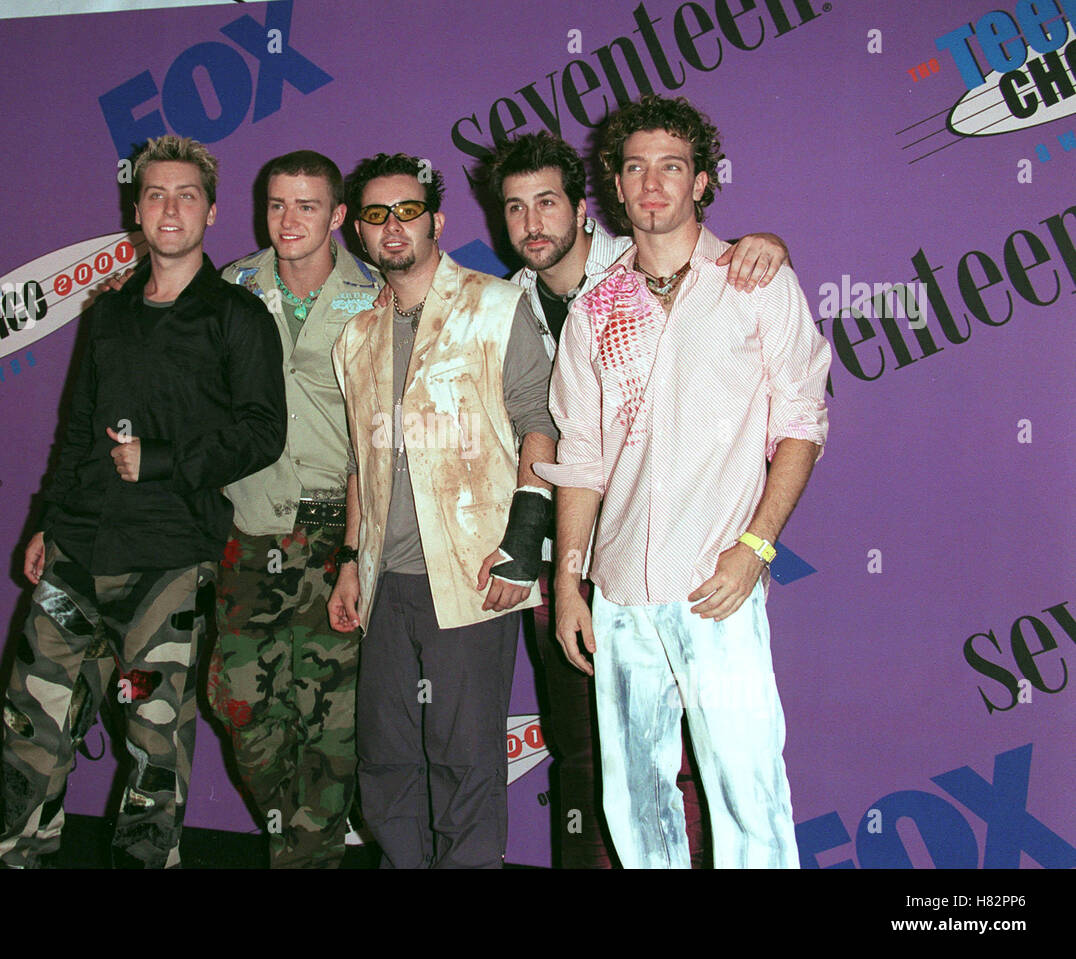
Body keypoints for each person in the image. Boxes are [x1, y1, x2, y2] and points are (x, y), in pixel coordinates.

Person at [535, 96, 831, 869]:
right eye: (635, 168)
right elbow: (581, 456)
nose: (652, 183)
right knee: (635, 802)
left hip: (716, 585)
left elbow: (802, 424)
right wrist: (569, 583)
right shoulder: (594, 308)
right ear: (616, 186)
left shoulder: (755, 282)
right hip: (621, 591)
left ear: (701, 181)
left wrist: (756, 547)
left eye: (671, 166)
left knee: (747, 793)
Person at [0, 135, 285, 868]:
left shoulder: (238, 316)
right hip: (77, 549)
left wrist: (163, 460)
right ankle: (20, 851)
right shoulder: (108, 312)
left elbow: (263, 431)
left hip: (168, 559)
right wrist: (46, 522)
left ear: (211, 211)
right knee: (31, 716)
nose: (170, 208)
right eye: (155, 195)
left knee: (155, 733)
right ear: (136, 211)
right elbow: (78, 427)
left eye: (186, 195)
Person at [328, 153, 558, 868]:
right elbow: (361, 461)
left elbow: (541, 423)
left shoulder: (496, 306)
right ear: (359, 232)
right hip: (385, 583)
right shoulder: (355, 337)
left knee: (464, 762)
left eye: (408, 211)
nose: (393, 227)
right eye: (376, 215)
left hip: (470, 575)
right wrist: (349, 560)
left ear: (437, 221)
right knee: (385, 762)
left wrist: (524, 541)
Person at [210, 150, 381, 868]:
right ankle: (300, 833)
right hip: (252, 529)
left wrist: (357, 549)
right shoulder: (232, 286)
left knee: (331, 719)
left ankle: (309, 853)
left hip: (336, 531)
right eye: (277, 204)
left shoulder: (374, 294)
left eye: (306, 206)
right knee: (239, 704)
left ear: (337, 215)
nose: (288, 220)